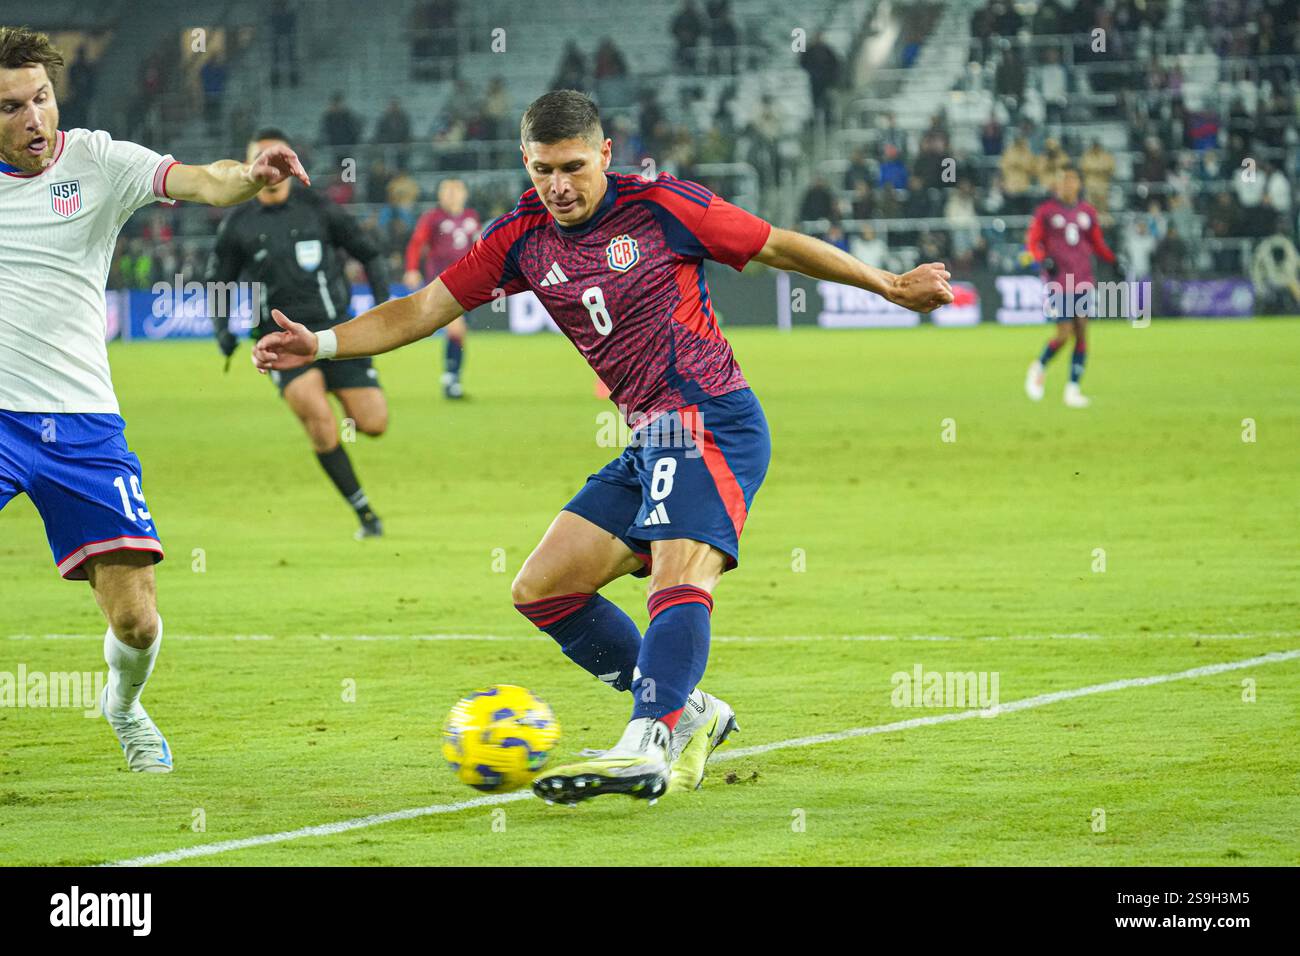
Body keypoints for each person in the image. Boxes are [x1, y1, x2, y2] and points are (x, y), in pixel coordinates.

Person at [253, 90, 951, 805]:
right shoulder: (520, 236)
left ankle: (647, 737)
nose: (559, 186)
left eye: (575, 167)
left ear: (606, 156)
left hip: (711, 420)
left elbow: (773, 243)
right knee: (543, 588)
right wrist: (324, 342)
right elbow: (423, 309)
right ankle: (693, 712)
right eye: (543, 169)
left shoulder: (661, 206)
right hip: (650, 439)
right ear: (526, 162)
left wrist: (889, 285)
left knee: (675, 576)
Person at [0, 27, 309, 772]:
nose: (33, 118)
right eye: (11, 107)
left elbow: (204, 180)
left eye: (41, 97)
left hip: (84, 426)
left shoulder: (99, 161)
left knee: (136, 622)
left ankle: (124, 706)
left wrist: (253, 174)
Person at [208, 129, 391, 539]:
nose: (267, 166)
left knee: (374, 422)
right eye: (259, 157)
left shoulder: (319, 209)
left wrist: (380, 306)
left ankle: (342, 397)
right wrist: (221, 329)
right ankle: (365, 513)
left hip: (337, 333)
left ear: (289, 162)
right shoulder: (237, 223)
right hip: (281, 343)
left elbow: (369, 253)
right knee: (319, 419)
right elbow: (217, 280)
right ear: (247, 164)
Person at [1023, 166, 1118, 408]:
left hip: (1083, 280)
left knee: (1082, 331)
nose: (1068, 184)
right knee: (1064, 334)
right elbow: (1033, 242)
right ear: (1057, 184)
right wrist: (1042, 258)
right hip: (1059, 281)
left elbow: (1097, 243)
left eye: (1072, 180)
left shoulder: (1087, 212)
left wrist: (1114, 261)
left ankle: (1073, 389)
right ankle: (1040, 366)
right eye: (1063, 180)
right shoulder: (1046, 212)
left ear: (1079, 184)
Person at [403, 178, 479, 398]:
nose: (451, 195)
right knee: (456, 329)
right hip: (442, 282)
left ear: (464, 194)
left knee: (459, 334)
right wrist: (411, 268)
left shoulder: (471, 217)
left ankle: (451, 378)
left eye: (456, 191)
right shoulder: (433, 218)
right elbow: (417, 243)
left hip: (469, 282)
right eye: (446, 191)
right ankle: (451, 381)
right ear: (440, 195)